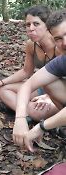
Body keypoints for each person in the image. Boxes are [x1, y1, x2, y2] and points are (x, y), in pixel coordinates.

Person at [0, 6, 61, 120]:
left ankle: (35, 113)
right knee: (0, 89)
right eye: (28, 25)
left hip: (59, 91)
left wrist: (48, 97)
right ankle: (27, 114)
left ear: (47, 25)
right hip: (41, 86)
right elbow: (26, 71)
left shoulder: (59, 44)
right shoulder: (31, 44)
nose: (31, 28)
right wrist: (2, 82)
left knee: (36, 111)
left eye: (36, 24)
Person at [13, 9, 66, 152]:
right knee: (49, 82)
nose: (65, 43)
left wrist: (42, 127)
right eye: (58, 39)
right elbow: (27, 85)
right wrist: (20, 118)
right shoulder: (62, 61)